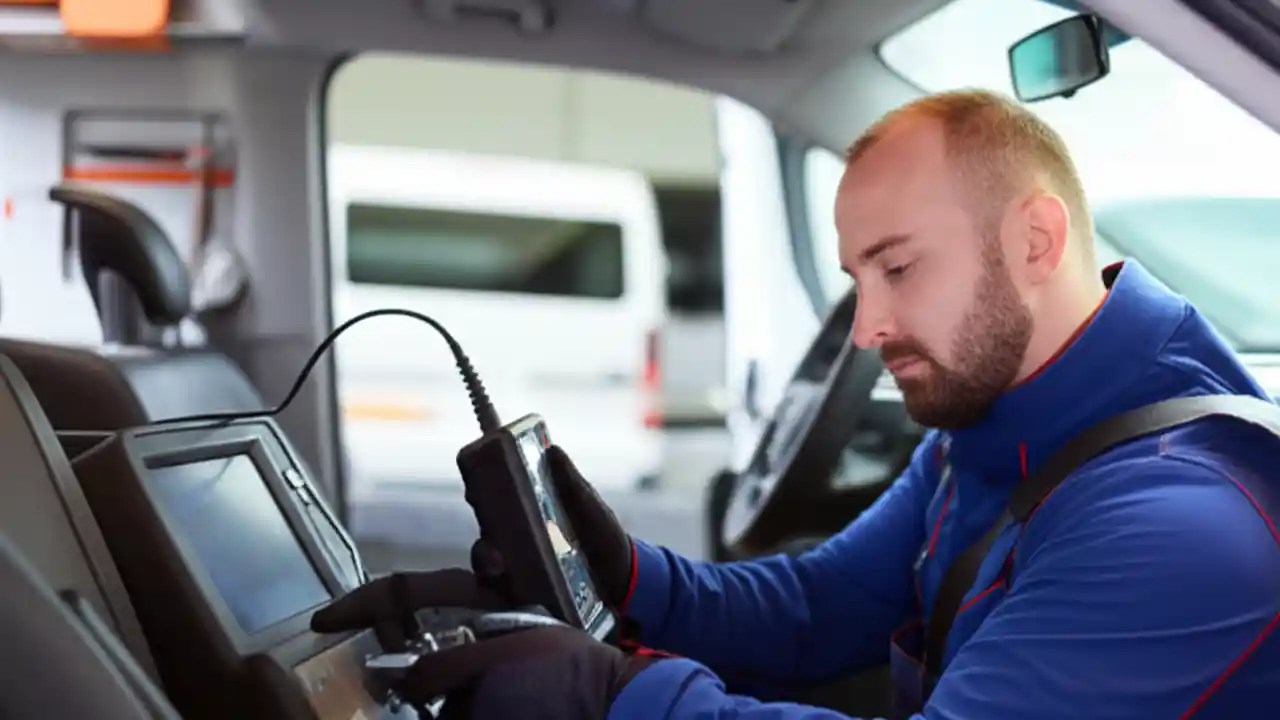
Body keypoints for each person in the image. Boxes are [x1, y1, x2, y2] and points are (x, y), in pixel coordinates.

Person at [311, 90, 1280, 718]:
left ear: (1033, 242)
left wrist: (613, 695)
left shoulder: (1178, 519)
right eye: (857, 280)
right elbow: (823, 609)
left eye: (897, 267)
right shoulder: (993, 427)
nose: (867, 327)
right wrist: (631, 583)